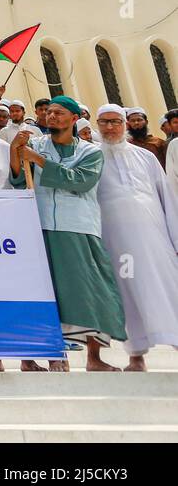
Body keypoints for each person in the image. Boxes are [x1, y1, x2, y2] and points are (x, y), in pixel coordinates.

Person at [10, 95, 127, 372]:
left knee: (89, 291)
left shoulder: (90, 151)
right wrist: (14, 152)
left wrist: (37, 159)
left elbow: (81, 182)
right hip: (39, 225)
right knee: (41, 291)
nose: (52, 117)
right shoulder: (36, 143)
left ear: (74, 119)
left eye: (59, 113)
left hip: (77, 226)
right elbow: (17, 178)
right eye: (49, 113)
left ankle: (94, 358)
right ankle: (43, 356)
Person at [93, 105, 178, 371]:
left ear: (125, 124)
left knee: (167, 289)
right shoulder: (91, 157)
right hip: (115, 241)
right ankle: (136, 357)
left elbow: (166, 196)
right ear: (97, 124)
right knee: (128, 295)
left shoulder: (146, 157)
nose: (110, 127)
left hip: (155, 239)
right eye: (104, 122)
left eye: (115, 122)